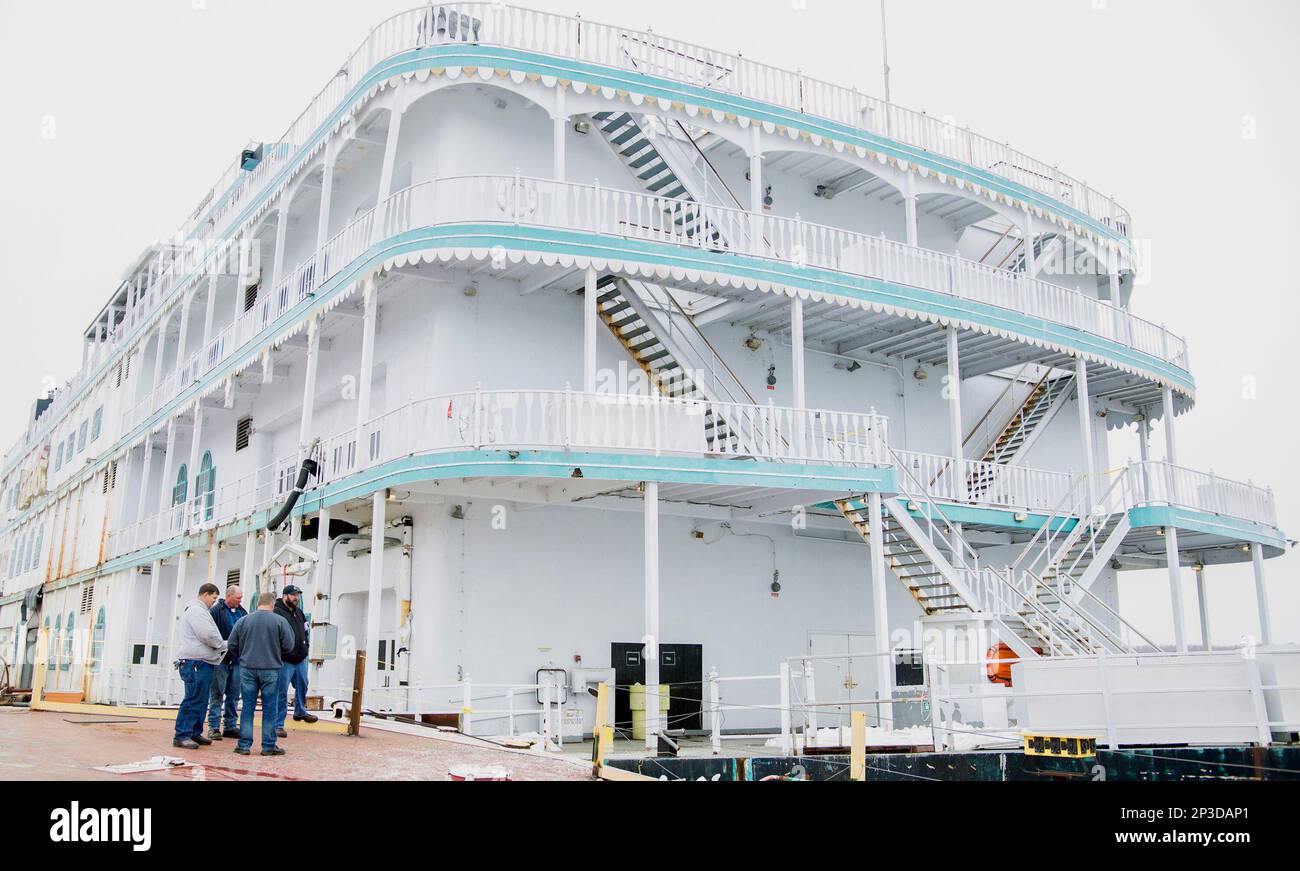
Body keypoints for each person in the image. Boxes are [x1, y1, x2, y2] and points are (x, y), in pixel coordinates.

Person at [226, 592, 295, 756]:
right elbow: (289, 646)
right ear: (272, 605)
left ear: (258, 604)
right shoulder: (280, 621)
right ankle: (268, 745)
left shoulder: (243, 620)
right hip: (270, 668)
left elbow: (231, 644)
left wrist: (242, 656)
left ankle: (243, 745)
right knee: (270, 708)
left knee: (248, 707)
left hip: (247, 668)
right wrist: (276, 653)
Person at [172, 583, 227, 750]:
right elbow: (207, 634)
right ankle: (182, 735)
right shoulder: (197, 611)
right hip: (196, 662)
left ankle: (194, 732)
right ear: (205, 594)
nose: (214, 602)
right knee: (194, 698)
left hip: (200, 661)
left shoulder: (198, 610)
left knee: (201, 699)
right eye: (214, 598)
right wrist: (220, 644)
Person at [272, 585, 317, 736]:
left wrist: (306, 647)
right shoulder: (277, 612)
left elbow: (305, 631)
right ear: (284, 596)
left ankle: (300, 711)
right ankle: (278, 724)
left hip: (299, 659)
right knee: (281, 692)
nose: (296, 597)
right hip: (285, 660)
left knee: (303, 684)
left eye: (297, 595)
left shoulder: (299, 613)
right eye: (292, 595)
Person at [207, 585, 247, 740]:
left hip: (237, 660)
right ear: (229, 596)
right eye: (238, 597)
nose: (240, 600)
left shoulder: (242, 612)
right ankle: (214, 727)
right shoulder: (216, 612)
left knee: (234, 694)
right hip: (221, 660)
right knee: (217, 693)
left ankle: (230, 726)